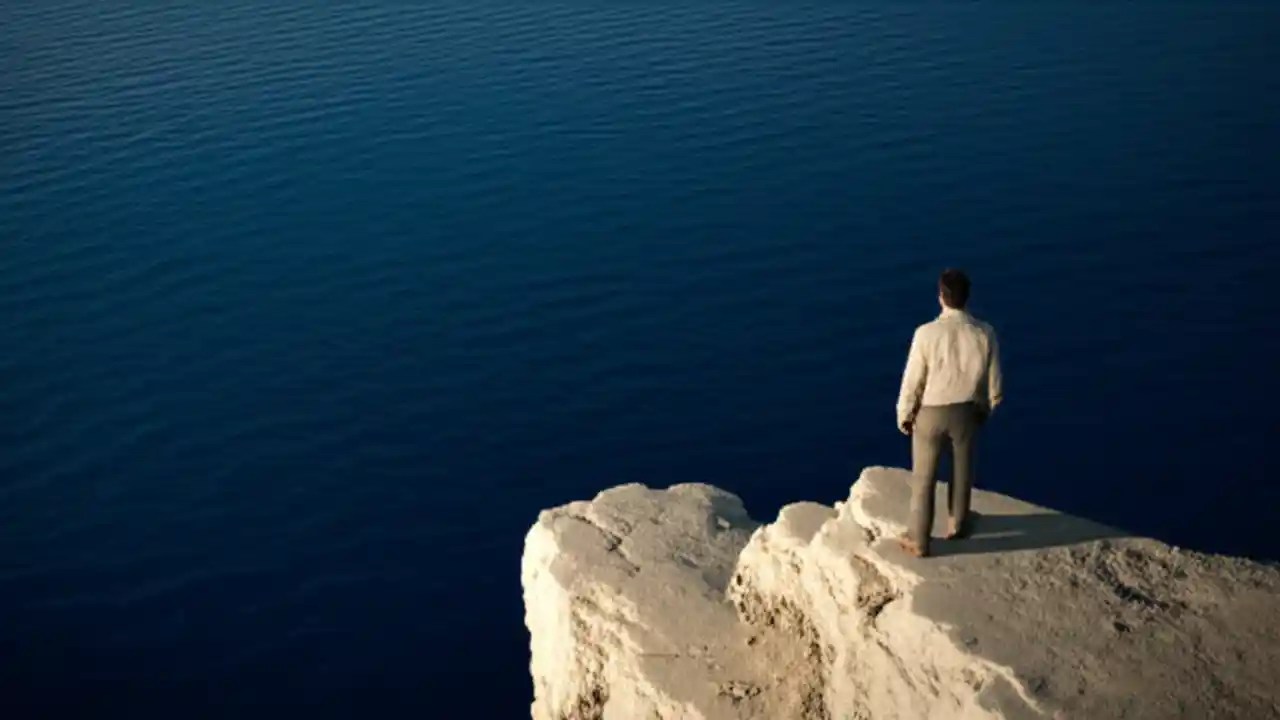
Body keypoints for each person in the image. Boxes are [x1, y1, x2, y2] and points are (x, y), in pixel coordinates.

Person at [895, 269, 1003, 558]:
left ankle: (919, 539)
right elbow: (995, 384)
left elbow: (913, 380)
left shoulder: (925, 334)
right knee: (963, 470)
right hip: (967, 412)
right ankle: (958, 524)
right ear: (967, 298)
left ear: (941, 296)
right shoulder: (985, 332)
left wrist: (904, 414)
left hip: (930, 414)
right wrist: (987, 407)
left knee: (924, 478)